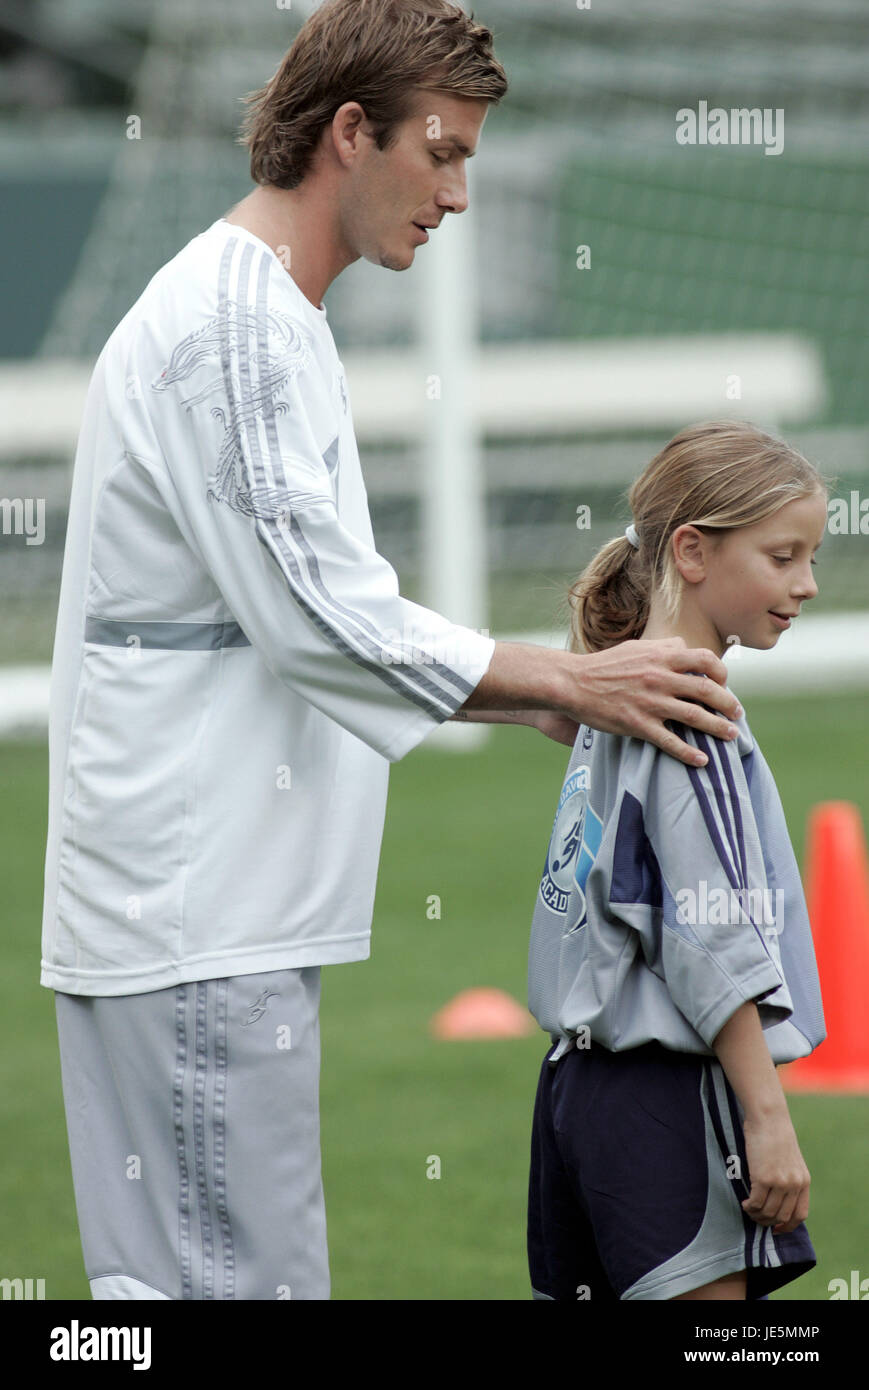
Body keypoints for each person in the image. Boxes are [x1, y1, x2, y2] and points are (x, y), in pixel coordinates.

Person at [41, 0, 744, 1301]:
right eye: (446, 152)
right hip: (199, 916)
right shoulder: (237, 326)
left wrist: (537, 699)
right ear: (350, 133)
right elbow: (316, 613)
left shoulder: (266, 311)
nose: (462, 192)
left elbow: (303, 612)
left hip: (202, 913)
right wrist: (569, 678)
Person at [526, 419, 830, 1302]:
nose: (805, 584)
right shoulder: (688, 710)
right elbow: (707, 933)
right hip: (666, 1097)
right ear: (692, 552)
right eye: (782, 557)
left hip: (573, 1094)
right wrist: (766, 1121)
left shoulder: (607, 698)